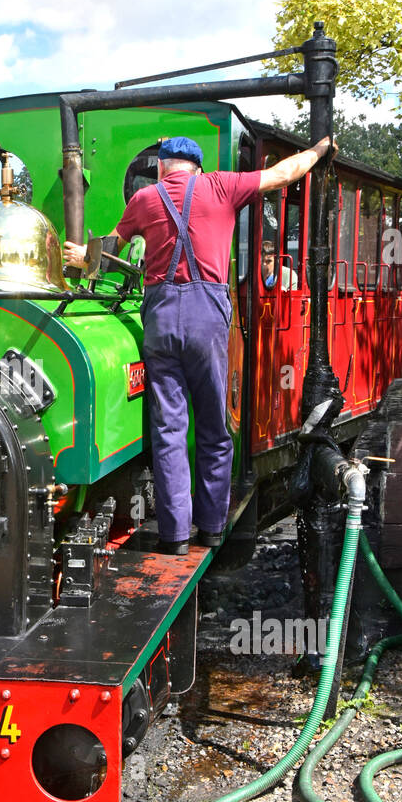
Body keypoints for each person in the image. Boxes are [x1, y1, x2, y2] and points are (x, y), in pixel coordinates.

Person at [64, 133, 334, 554]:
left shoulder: (145, 200)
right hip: (207, 316)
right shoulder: (223, 185)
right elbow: (283, 174)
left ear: (162, 167)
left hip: (159, 317)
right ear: (198, 167)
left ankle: (174, 537)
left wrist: (80, 254)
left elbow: (108, 251)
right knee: (213, 429)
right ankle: (211, 527)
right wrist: (319, 150)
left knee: (170, 430)